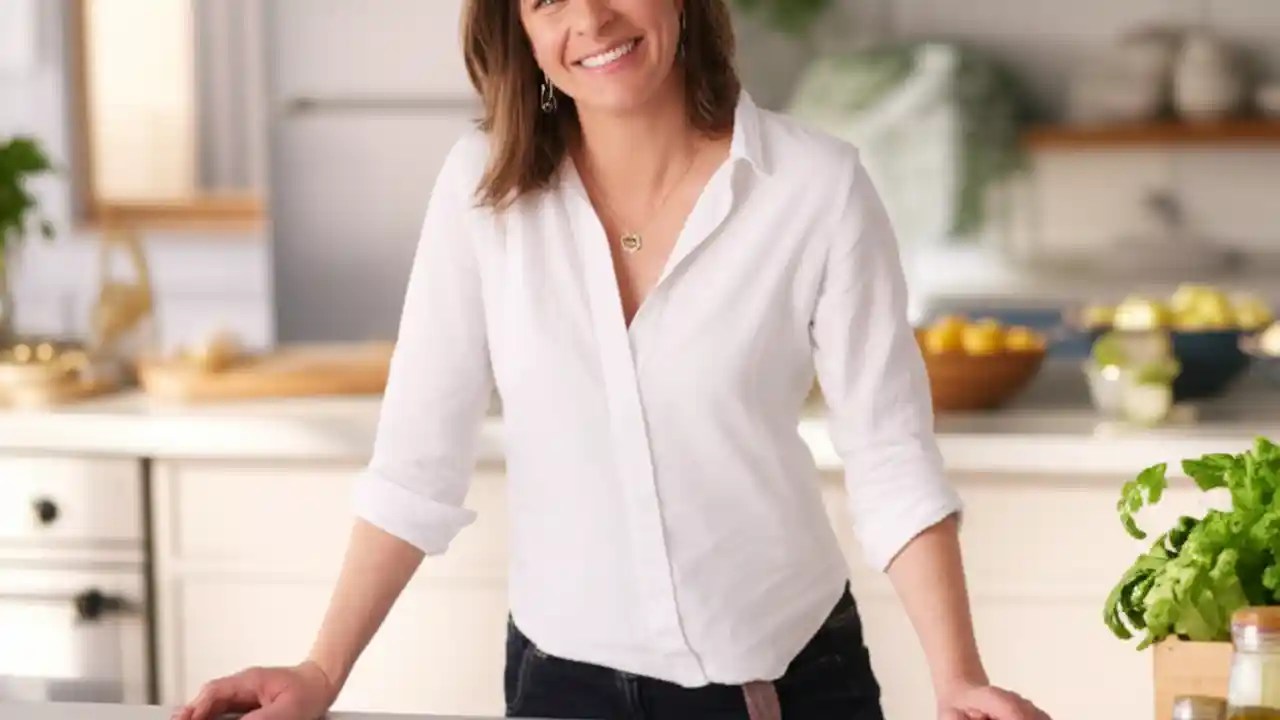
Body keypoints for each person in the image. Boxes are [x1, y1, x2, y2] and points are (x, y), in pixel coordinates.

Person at [173, 1, 1051, 719]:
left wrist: (958, 679)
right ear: (516, 27)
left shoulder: (817, 188)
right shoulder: (480, 191)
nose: (589, 18)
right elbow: (414, 467)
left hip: (781, 682)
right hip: (560, 688)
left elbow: (890, 458)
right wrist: (321, 672)